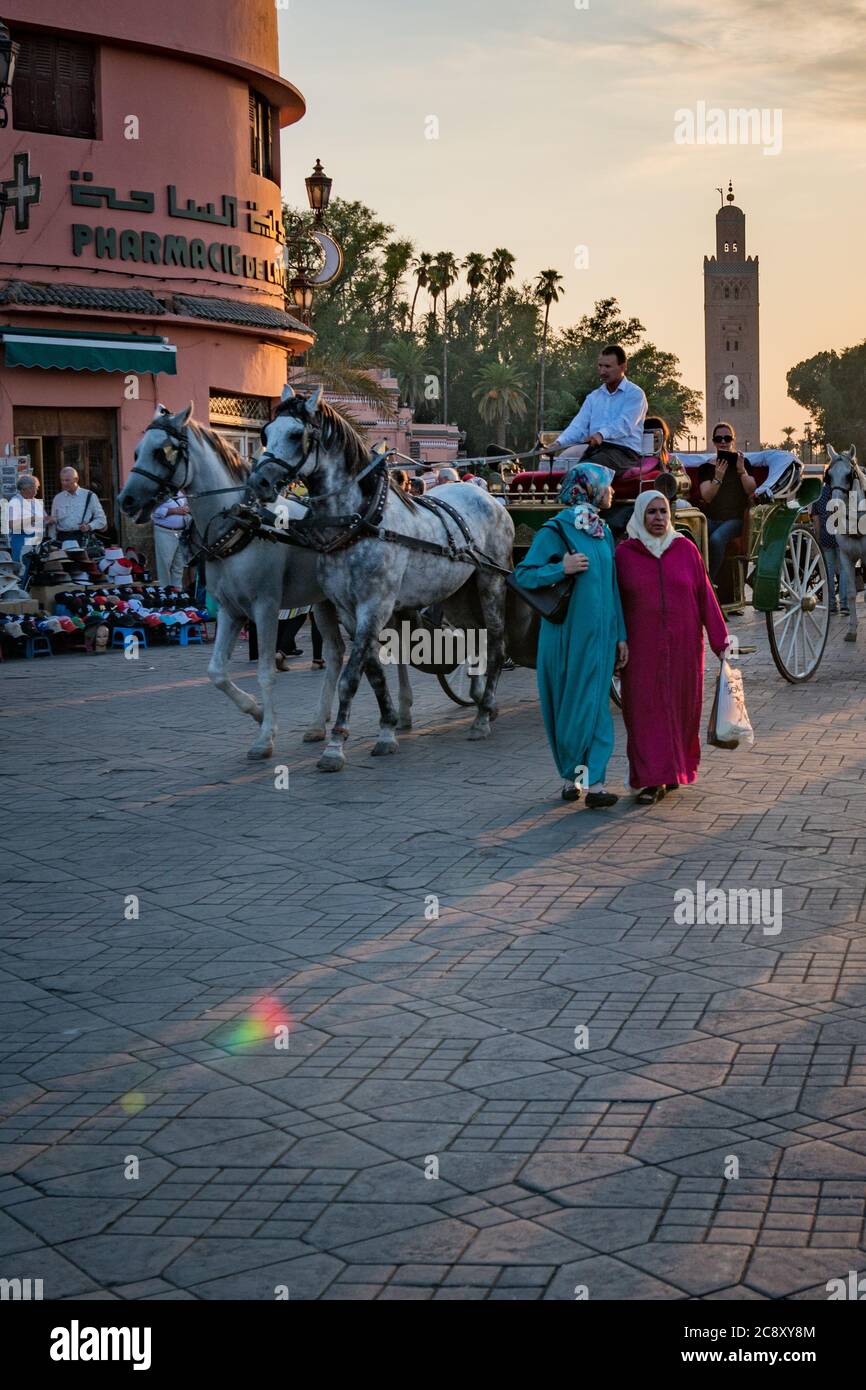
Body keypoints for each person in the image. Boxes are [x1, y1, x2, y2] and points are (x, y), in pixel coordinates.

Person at [511, 462, 627, 810]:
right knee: (567, 707)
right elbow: (523, 575)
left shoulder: (603, 532)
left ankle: (596, 785)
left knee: (596, 707)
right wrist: (561, 568)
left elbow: (613, 587)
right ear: (589, 488)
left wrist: (621, 635)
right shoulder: (555, 530)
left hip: (601, 638)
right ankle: (571, 778)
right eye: (607, 486)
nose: (612, 492)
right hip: (565, 638)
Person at [615, 491, 729, 804]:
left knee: (681, 712)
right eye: (651, 512)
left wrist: (722, 642)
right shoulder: (624, 555)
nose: (658, 519)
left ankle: (674, 770)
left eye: (663, 512)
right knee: (644, 712)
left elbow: (705, 597)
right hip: (641, 652)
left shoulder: (686, 550)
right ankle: (651, 780)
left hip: (684, 650)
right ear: (640, 516)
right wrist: (616, 640)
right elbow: (614, 605)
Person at [546, 344, 648, 475]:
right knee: (570, 479)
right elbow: (578, 426)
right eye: (600, 366)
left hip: (624, 452)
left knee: (584, 474)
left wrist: (601, 434)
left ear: (623, 367)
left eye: (608, 366)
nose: (602, 371)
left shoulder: (635, 394)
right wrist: (558, 443)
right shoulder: (593, 397)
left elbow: (625, 424)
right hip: (596, 451)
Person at [698, 421, 757, 581]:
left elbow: (751, 489)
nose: (723, 442)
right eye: (718, 439)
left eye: (727, 438)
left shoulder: (742, 464)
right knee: (691, 536)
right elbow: (707, 496)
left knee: (716, 539)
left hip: (735, 520)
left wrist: (741, 470)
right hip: (710, 519)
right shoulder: (706, 467)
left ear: (733, 440)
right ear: (713, 442)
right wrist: (718, 477)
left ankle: (709, 584)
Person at [811, 468, 850, 615]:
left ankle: (832, 605)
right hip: (842, 536)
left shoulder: (818, 495)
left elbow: (815, 520)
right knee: (845, 571)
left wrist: (818, 539)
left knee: (828, 572)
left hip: (826, 537)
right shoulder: (842, 492)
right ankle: (845, 605)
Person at [49, 467, 107, 543]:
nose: (64, 483)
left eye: (67, 480)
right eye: (62, 480)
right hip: (63, 540)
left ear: (76, 479)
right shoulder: (58, 498)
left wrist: (89, 526)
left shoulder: (89, 496)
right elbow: (53, 523)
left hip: (83, 539)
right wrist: (52, 542)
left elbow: (101, 520)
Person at [151, 490, 189, 587]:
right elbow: (154, 512)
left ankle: (177, 592)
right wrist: (174, 511)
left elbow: (187, 506)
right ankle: (165, 591)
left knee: (179, 566)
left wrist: (187, 509)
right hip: (165, 532)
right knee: (164, 564)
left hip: (181, 532)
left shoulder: (180, 493)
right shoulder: (157, 493)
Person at [5, 474, 44, 565]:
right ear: (26, 488)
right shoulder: (14, 502)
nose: (37, 490)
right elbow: (11, 525)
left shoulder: (36, 502)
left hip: (35, 540)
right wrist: (32, 519)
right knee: (22, 569)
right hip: (21, 540)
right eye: (35, 488)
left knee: (33, 569)